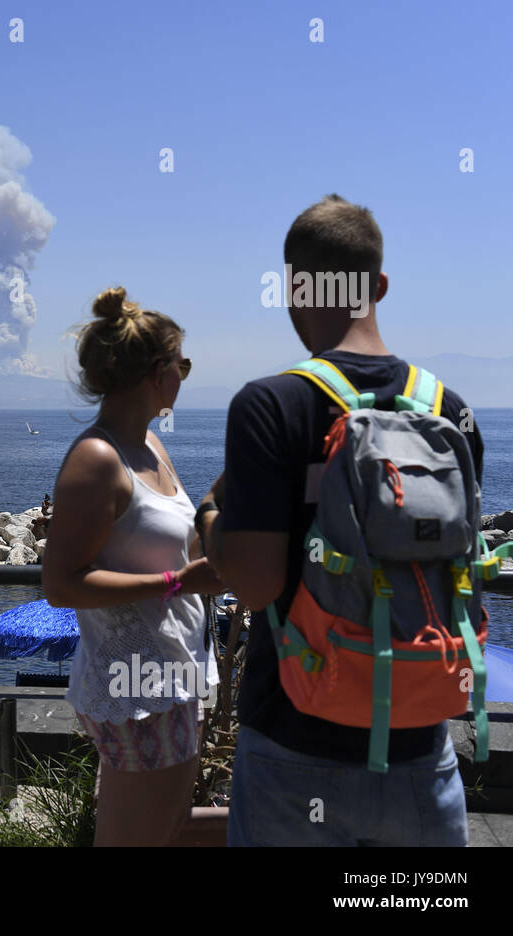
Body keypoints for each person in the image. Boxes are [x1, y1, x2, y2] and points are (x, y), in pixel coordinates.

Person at [199, 195, 484, 846]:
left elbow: (254, 586)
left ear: (293, 287)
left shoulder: (272, 405)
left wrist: (209, 514)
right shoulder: (452, 412)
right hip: (419, 750)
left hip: (294, 746)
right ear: (380, 284)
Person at [42, 286, 221, 846]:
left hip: (175, 677)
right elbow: (61, 583)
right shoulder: (98, 459)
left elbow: (180, 546)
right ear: (156, 372)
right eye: (183, 363)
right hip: (136, 693)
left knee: (162, 832)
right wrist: (175, 583)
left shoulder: (149, 446)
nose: (185, 376)